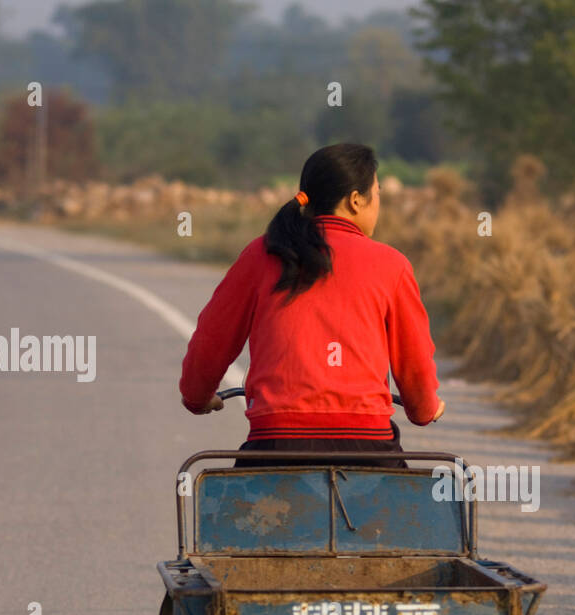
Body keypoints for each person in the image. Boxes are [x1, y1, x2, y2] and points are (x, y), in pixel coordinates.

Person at [178, 142, 445, 469]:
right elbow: (414, 363)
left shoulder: (262, 254)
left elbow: (212, 339)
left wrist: (197, 396)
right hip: (369, 450)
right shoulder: (392, 265)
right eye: (378, 194)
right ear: (355, 200)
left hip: (275, 446)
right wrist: (425, 409)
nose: (379, 204)